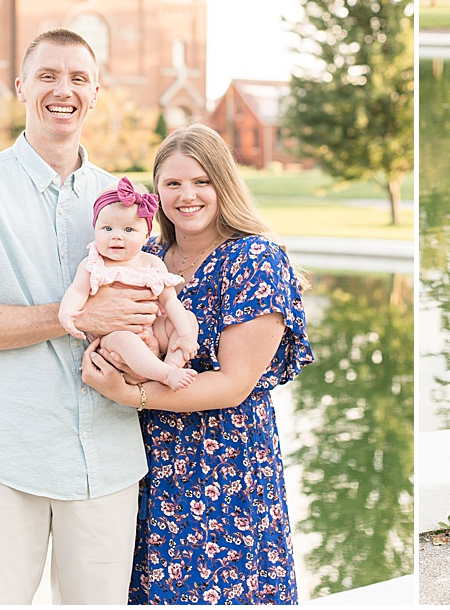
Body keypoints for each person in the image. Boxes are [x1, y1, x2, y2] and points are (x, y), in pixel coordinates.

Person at [0, 29, 161, 604]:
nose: (64, 90)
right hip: (5, 454)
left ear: (96, 92)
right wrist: (77, 315)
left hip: (106, 461)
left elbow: (145, 308)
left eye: (78, 78)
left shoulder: (123, 201)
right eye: (48, 76)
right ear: (20, 88)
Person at [81, 122, 314, 605]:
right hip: (144, 466)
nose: (187, 195)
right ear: (157, 194)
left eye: (201, 181)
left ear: (223, 184)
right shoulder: (145, 255)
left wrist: (133, 394)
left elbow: (233, 385)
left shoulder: (255, 260)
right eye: (173, 183)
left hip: (224, 470)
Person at [58, 177, 200, 391]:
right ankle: (165, 374)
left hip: (151, 329)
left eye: (128, 230)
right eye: (107, 229)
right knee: (126, 341)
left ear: (146, 235)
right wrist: (66, 313)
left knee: (186, 320)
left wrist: (186, 336)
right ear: (95, 228)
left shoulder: (152, 263)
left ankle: (170, 364)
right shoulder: (94, 263)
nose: (116, 237)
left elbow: (170, 301)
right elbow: (77, 290)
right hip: (113, 335)